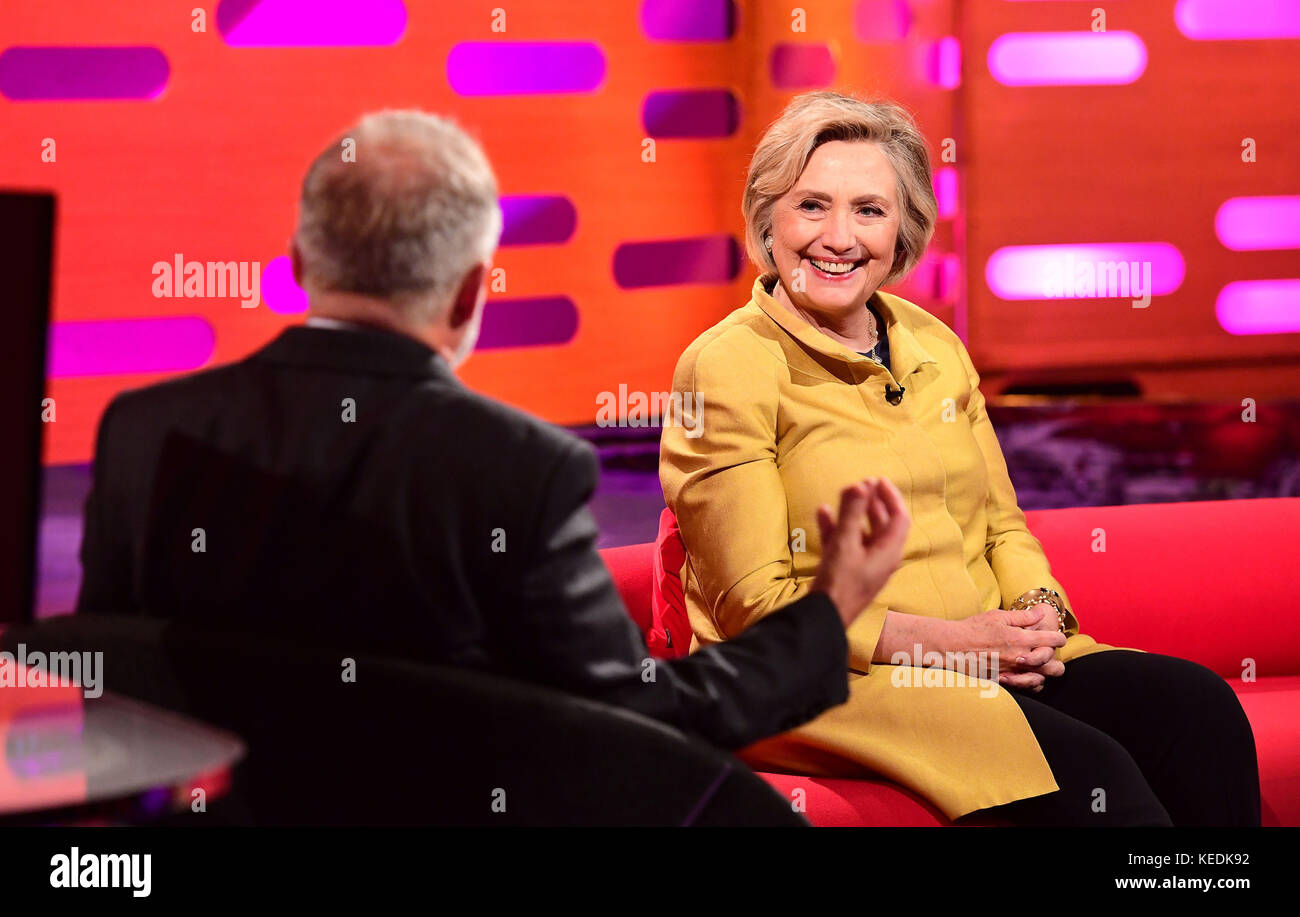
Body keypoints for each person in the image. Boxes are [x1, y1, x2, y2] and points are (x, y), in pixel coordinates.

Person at [75, 109, 912, 753]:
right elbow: (637, 713)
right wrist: (830, 606)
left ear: (296, 262)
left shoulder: (142, 430)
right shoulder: (516, 466)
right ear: (474, 292)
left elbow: (107, 685)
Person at [659, 90, 1260, 824]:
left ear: (904, 227)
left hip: (981, 652)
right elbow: (756, 606)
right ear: (769, 220)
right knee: (1099, 783)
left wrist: (1038, 621)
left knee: (1197, 712)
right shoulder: (725, 365)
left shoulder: (933, 344)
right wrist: (958, 646)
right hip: (833, 677)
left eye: (869, 210)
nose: (838, 237)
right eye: (811, 206)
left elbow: (1003, 527)